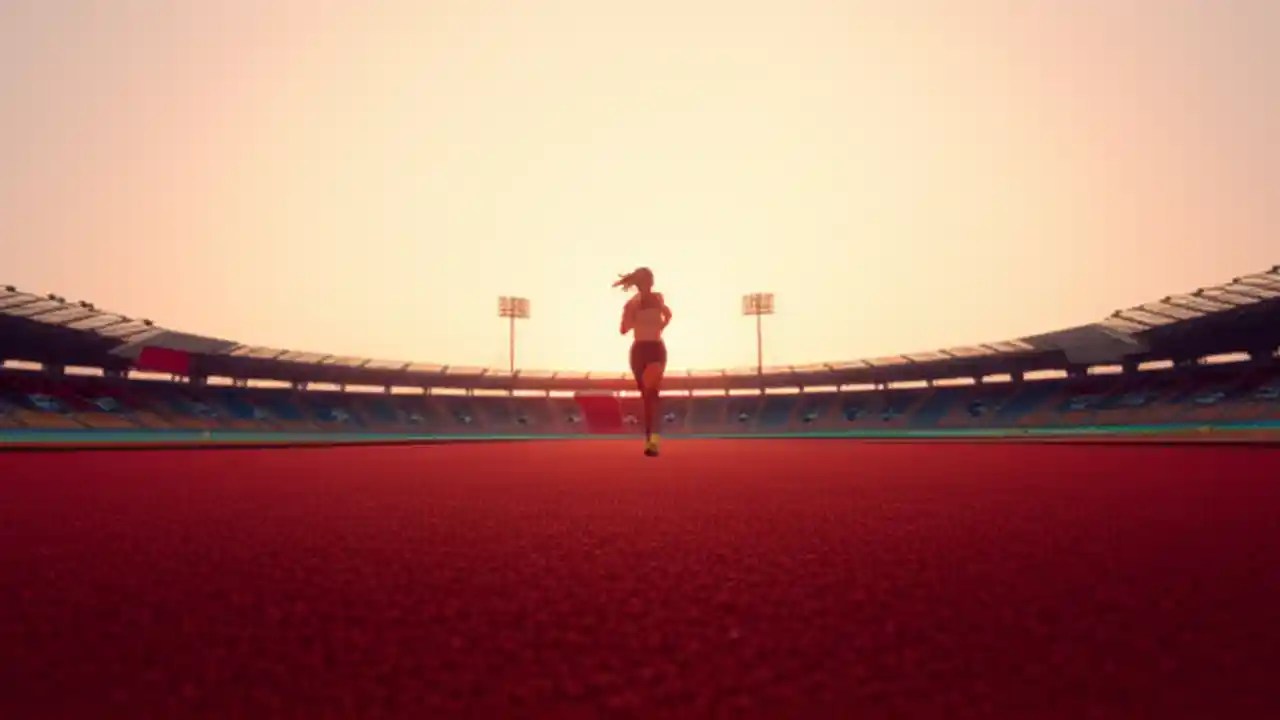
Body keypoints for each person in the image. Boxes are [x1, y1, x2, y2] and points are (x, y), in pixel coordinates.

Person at [614, 267, 672, 456]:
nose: (651, 283)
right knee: (647, 398)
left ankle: (653, 440)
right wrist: (631, 318)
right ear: (640, 283)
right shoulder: (632, 303)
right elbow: (623, 329)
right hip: (639, 351)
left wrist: (660, 327)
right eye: (647, 279)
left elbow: (669, 315)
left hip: (656, 349)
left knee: (651, 393)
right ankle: (649, 439)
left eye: (651, 279)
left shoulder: (658, 298)